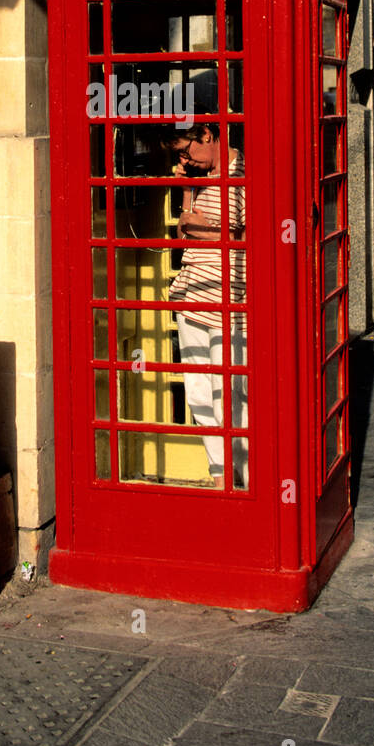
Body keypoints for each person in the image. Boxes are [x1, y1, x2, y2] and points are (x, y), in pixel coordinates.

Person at [159, 122, 248, 489]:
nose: (183, 159)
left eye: (186, 150)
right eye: (178, 154)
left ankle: (247, 477)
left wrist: (199, 226)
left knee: (230, 394)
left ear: (208, 135)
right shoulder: (198, 177)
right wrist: (186, 195)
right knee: (198, 395)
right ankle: (221, 475)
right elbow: (184, 233)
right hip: (191, 293)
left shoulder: (243, 172)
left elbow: (246, 234)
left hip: (229, 297)